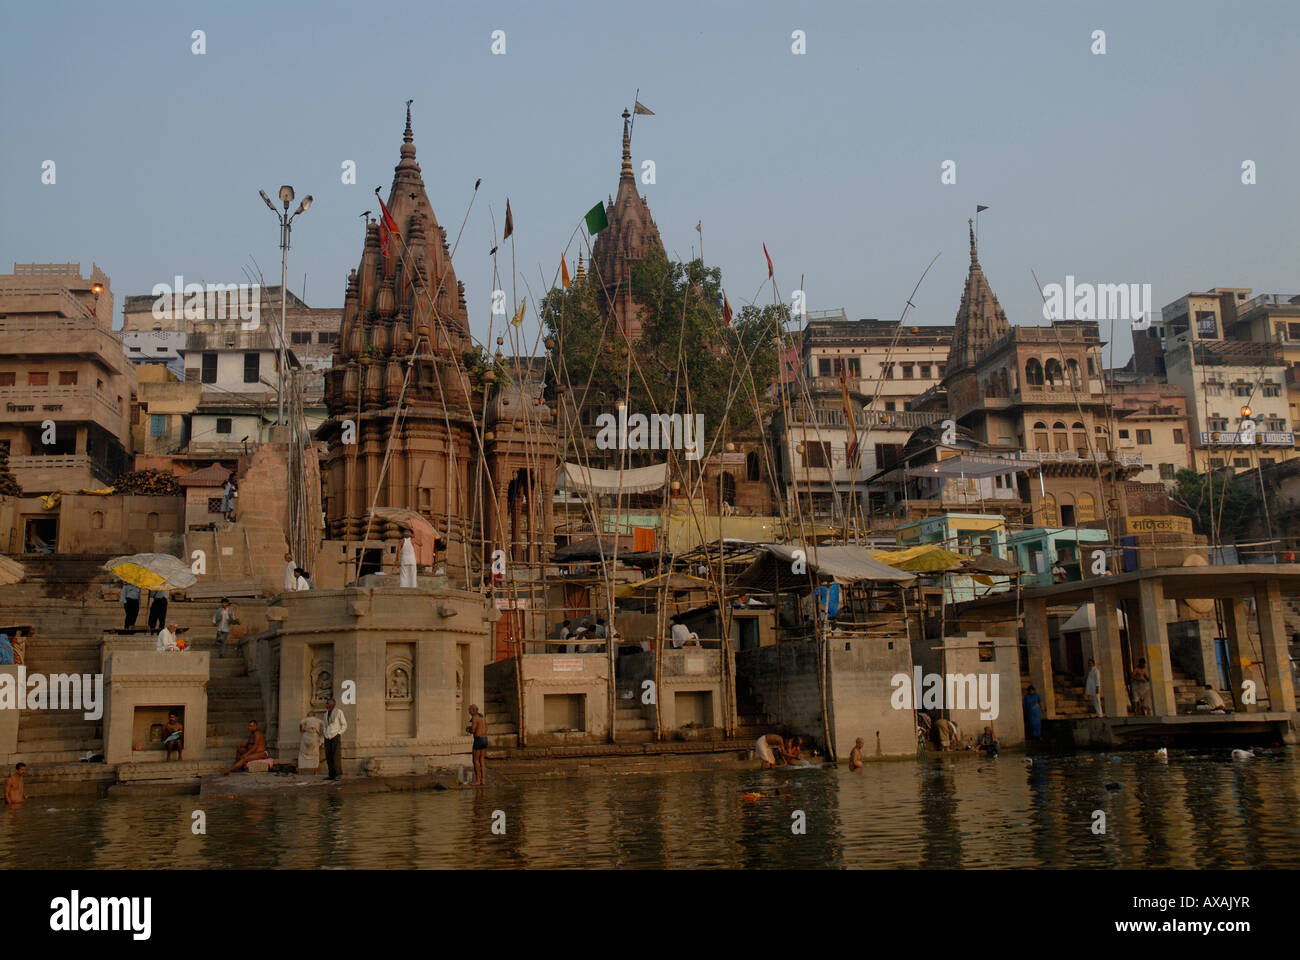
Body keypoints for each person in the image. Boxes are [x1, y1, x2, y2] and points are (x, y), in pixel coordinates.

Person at [322, 697, 346, 780]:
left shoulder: (339, 712)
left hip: (335, 735)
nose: (326, 704)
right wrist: (325, 734)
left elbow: (344, 724)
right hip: (327, 736)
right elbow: (324, 726)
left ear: (332, 704)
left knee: (336, 755)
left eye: (327, 703)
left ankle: (338, 774)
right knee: (329, 756)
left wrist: (339, 733)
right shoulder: (325, 714)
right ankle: (331, 774)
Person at [467, 704, 488, 786]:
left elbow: (473, 729)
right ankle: (483, 780)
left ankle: (477, 781)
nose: (469, 712)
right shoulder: (482, 716)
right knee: (482, 760)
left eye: (469, 711)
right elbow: (486, 727)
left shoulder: (475, 717)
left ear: (472, 711)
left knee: (475, 760)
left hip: (478, 739)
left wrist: (468, 729)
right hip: (485, 738)